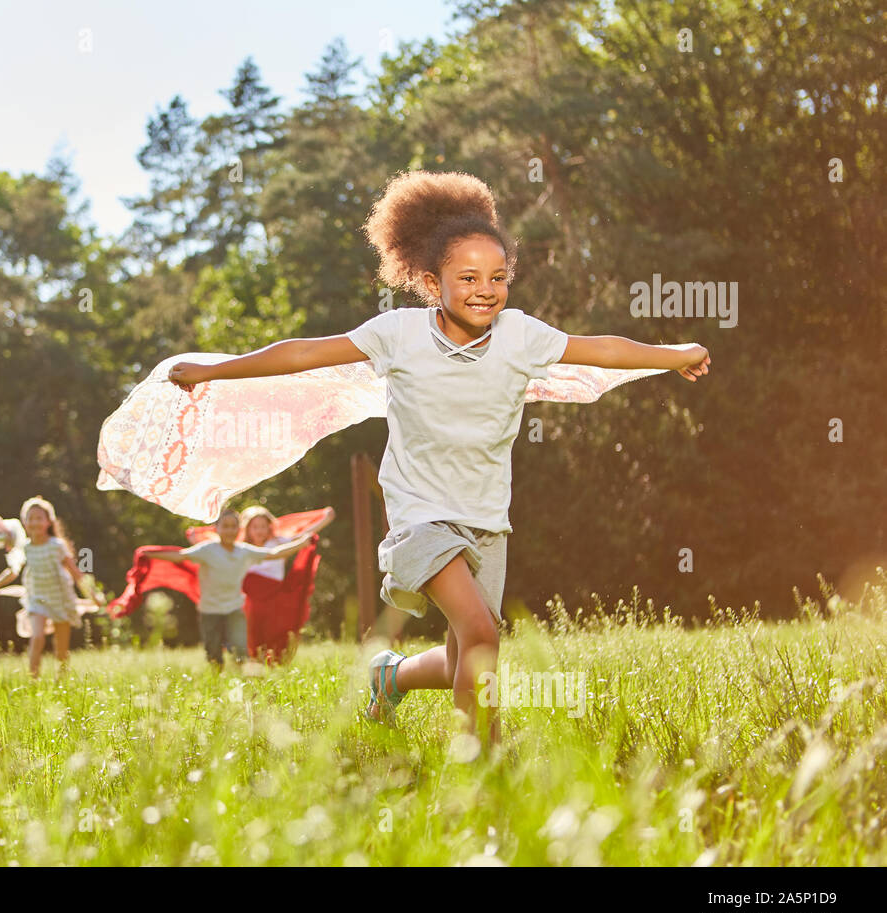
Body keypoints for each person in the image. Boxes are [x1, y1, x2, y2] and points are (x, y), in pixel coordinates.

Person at [167, 170, 710, 742]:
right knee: (483, 638)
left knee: (462, 662)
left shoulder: (520, 335)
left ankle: (390, 677)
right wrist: (214, 370)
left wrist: (671, 353)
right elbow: (303, 352)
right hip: (420, 517)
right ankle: (480, 766)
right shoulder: (399, 334)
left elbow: (599, 348)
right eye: (468, 276)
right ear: (431, 281)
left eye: (498, 277)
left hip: (487, 522)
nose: (485, 289)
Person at [146, 508, 314, 669]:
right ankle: (217, 677)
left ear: (239, 529)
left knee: (241, 650)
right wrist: (148, 553)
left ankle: (246, 683)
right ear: (217, 529)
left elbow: (275, 553)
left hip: (234, 608)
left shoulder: (244, 551)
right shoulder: (207, 550)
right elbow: (180, 556)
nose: (229, 531)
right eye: (225, 526)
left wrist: (301, 543)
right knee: (213, 654)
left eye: (233, 526)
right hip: (210, 610)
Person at [0, 496, 91, 678]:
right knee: (37, 637)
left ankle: (62, 678)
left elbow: (76, 573)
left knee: (61, 646)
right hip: (37, 598)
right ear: (24, 522)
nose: (34, 522)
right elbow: (13, 571)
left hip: (61, 598)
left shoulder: (57, 546)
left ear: (49, 522)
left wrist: (92, 594)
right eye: (30, 518)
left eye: (39, 518)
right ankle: (33, 678)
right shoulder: (24, 548)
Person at [240, 505, 335, 663]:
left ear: (269, 527)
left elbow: (304, 536)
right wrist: (194, 537)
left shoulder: (278, 542)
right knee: (252, 632)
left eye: (263, 526)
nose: (259, 531)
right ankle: (254, 664)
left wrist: (326, 518)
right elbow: (217, 547)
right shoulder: (242, 547)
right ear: (248, 529)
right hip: (252, 599)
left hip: (273, 596)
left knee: (274, 631)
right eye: (255, 527)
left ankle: (274, 662)